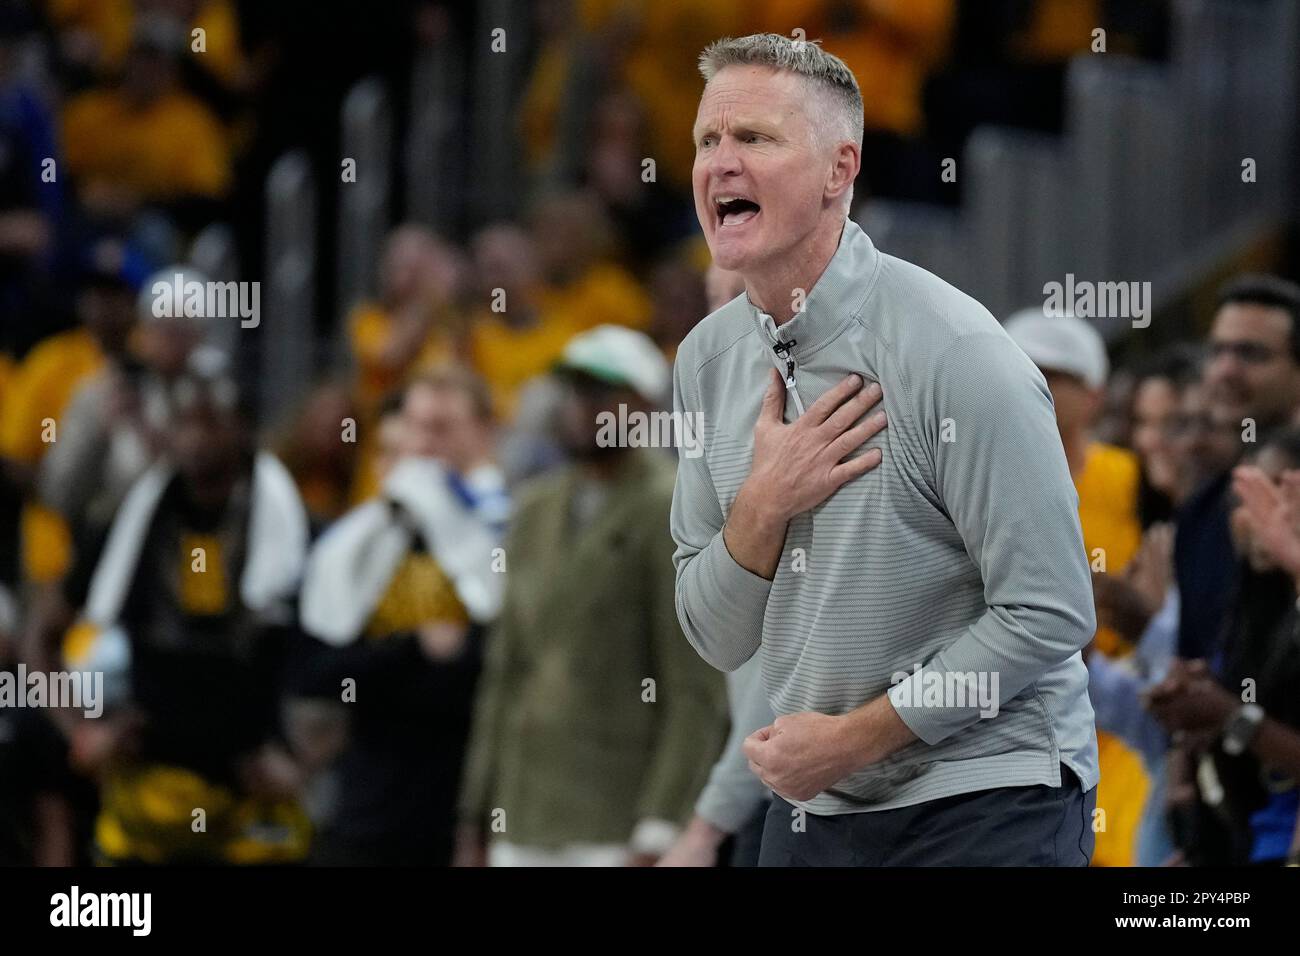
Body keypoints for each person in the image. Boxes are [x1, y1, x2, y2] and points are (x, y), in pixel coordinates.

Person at [670, 33, 1097, 866]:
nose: (719, 163)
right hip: (817, 804)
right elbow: (715, 638)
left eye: (753, 138)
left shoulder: (956, 351)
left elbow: (1050, 611)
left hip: (988, 792)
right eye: (706, 141)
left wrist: (858, 739)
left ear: (839, 170)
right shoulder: (703, 362)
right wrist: (761, 508)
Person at [457, 325, 728, 866]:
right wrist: (476, 815)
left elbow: (693, 686)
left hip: (614, 821)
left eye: (601, 393)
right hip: (523, 811)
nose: (583, 407)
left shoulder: (672, 507)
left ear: (645, 404)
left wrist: (658, 827)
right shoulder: (534, 509)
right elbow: (505, 673)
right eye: (575, 391)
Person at [40, 351, 313, 865]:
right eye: (182, 420)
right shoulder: (130, 524)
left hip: (254, 802)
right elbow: (42, 637)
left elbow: (344, 652)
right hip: (148, 792)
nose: (193, 436)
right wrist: (81, 730)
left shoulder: (293, 529)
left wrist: (307, 761)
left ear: (245, 428)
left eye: (209, 420)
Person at [298, 366, 506, 866]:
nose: (424, 444)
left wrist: (446, 657)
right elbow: (316, 672)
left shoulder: (511, 529)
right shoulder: (362, 540)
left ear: (483, 432)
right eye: (416, 426)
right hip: (371, 803)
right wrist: (417, 650)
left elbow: (507, 670)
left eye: (442, 427)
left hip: (480, 804)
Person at [1003, 309, 1148, 867]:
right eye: (1025, 368)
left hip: (1116, 714)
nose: (1037, 384)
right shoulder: (974, 475)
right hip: (1010, 708)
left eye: (1055, 375)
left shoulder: (1130, 479)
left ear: (1094, 395)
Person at [1150, 428, 1300, 866]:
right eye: (1245, 501)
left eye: (1280, 499)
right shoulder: (1249, 610)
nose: (1258, 520)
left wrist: (1229, 716)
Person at [1177, 275, 1300, 661]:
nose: (1226, 371)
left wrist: (1237, 719)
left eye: (1251, 354)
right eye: (1217, 351)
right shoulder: (1201, 510)